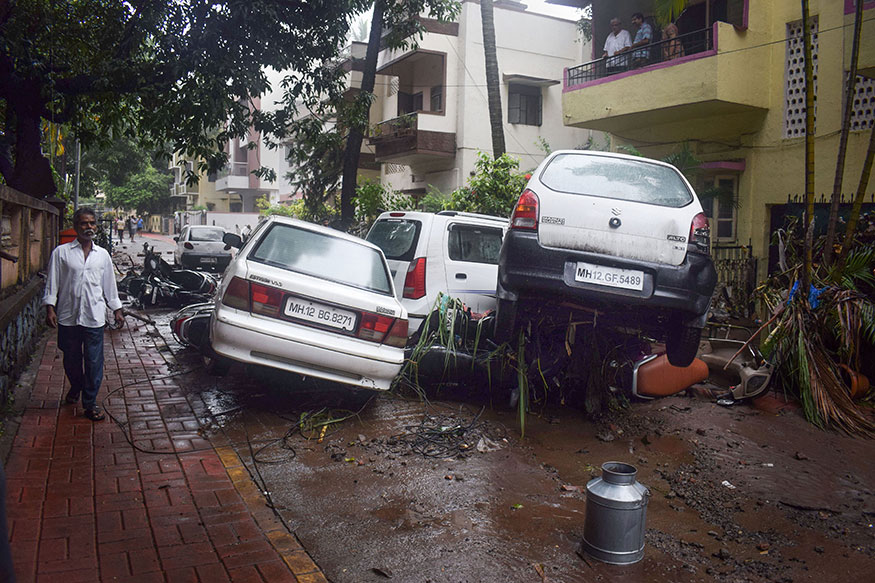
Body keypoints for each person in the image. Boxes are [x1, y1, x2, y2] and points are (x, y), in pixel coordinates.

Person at [43, 207, 125, 422]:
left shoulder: (103, 255)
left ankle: (90, 402)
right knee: (71, 359)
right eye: (84, 223)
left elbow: (110, 286)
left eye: (92, 223)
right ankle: (76, 386)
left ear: (96, 226)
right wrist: (50, 307)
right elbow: (52, 283)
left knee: (94, 361)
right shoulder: (61, 253)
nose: (89, 227)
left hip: (94, 316)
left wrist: (117, 310)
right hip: (68, 315)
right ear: (75, 226)